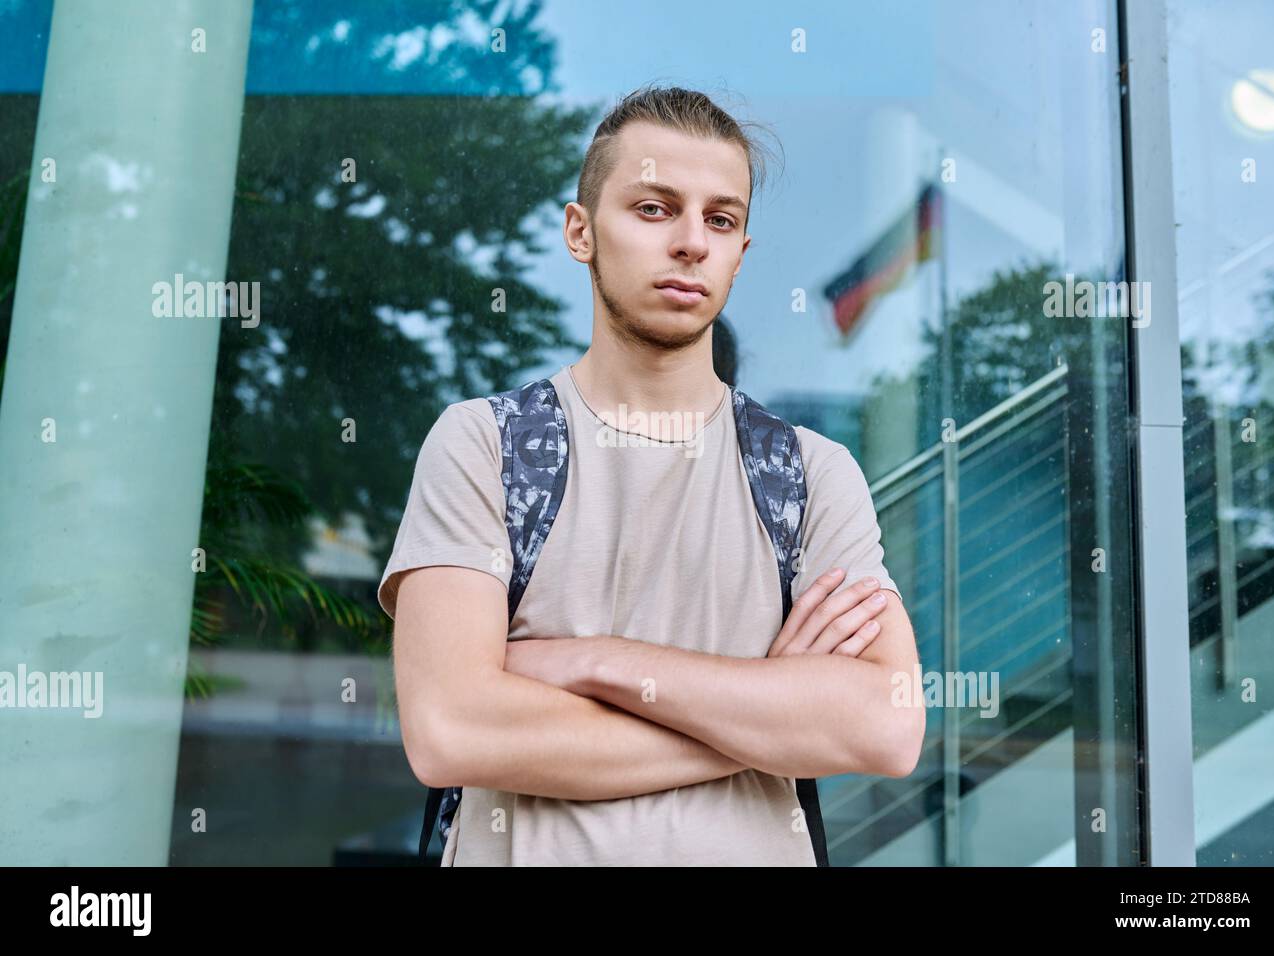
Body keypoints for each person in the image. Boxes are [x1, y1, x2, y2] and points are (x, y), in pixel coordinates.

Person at [377, 85, 924, 866]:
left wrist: (595, 661)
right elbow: (451, 731)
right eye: (655, 208)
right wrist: (766, 711)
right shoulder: (486, 446)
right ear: (580, 231)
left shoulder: (806, 472)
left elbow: (887, 724)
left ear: (740, 252)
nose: (693, 242)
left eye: (721, 219)